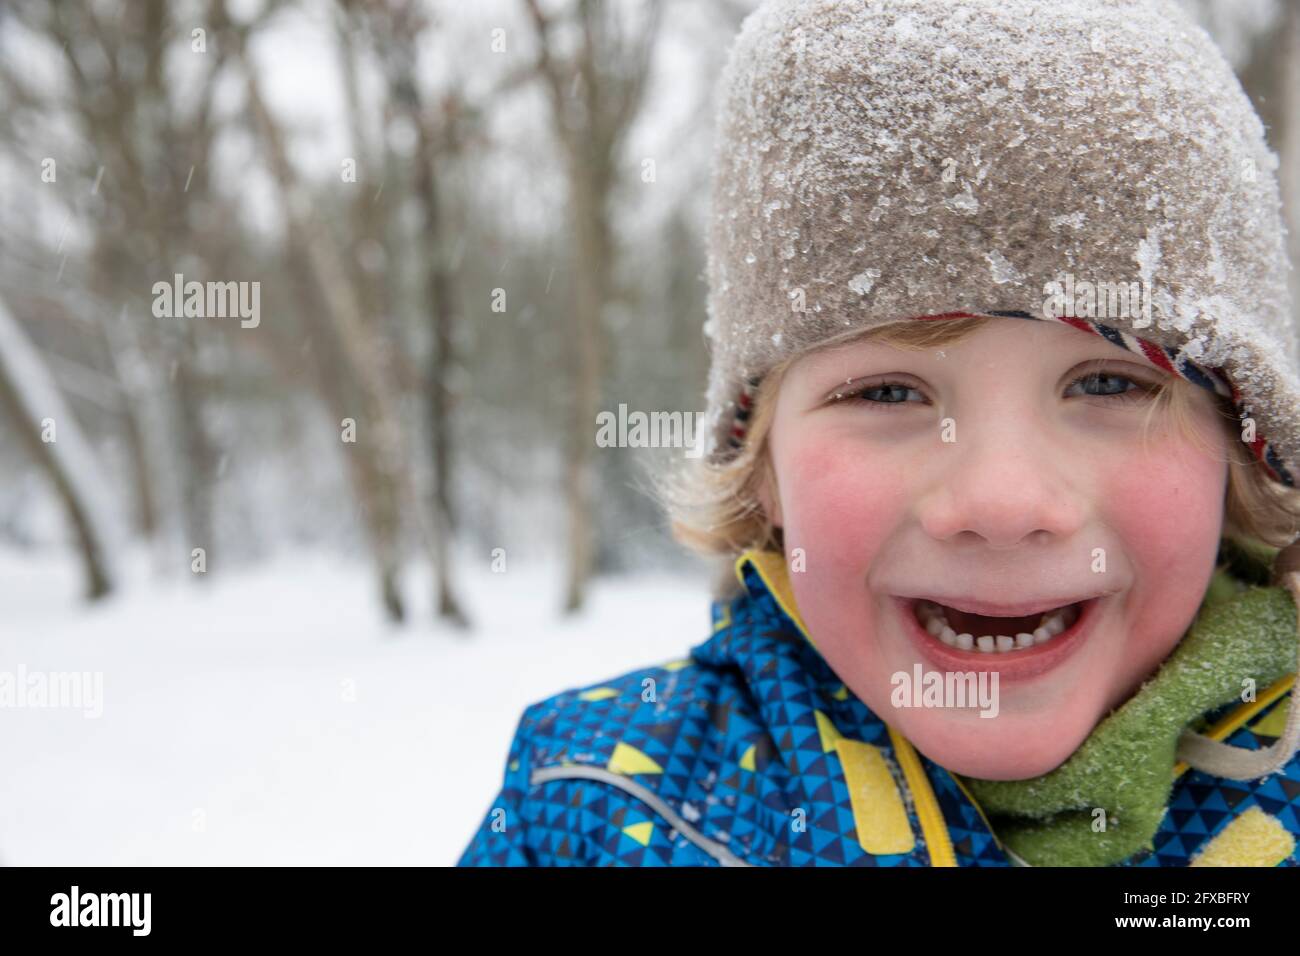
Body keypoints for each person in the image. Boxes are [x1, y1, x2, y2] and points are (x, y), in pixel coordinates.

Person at [457, 0, 1300, 866]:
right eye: (890, 392)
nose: (1001, 502)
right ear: (762, 468)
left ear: (1245, 450)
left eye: (1111, 384)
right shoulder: (594, 810)